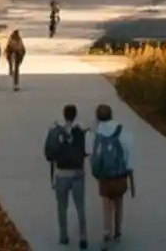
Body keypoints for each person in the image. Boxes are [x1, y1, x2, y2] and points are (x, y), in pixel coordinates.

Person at [91, 104, 135, 250]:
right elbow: (129, 151)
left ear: (97, 117)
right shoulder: (122, 131)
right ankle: (118, 230)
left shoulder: (97, 133)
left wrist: (96, 172)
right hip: (120, 174)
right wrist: (129, 169)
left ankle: (106, 231)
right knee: (119, 202)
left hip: (104, 176)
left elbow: (94, 154)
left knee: (106, 203)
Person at [44, 104, 88, 249]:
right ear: (75, 115)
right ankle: (83, 237)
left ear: (64, 115)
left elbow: (49, 154)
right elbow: (87, 151)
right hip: (77, 173)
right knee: (80, 207)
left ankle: (64, 236)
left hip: (61, 174)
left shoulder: (56, 131)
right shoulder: (81, 131)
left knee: (62, 207)